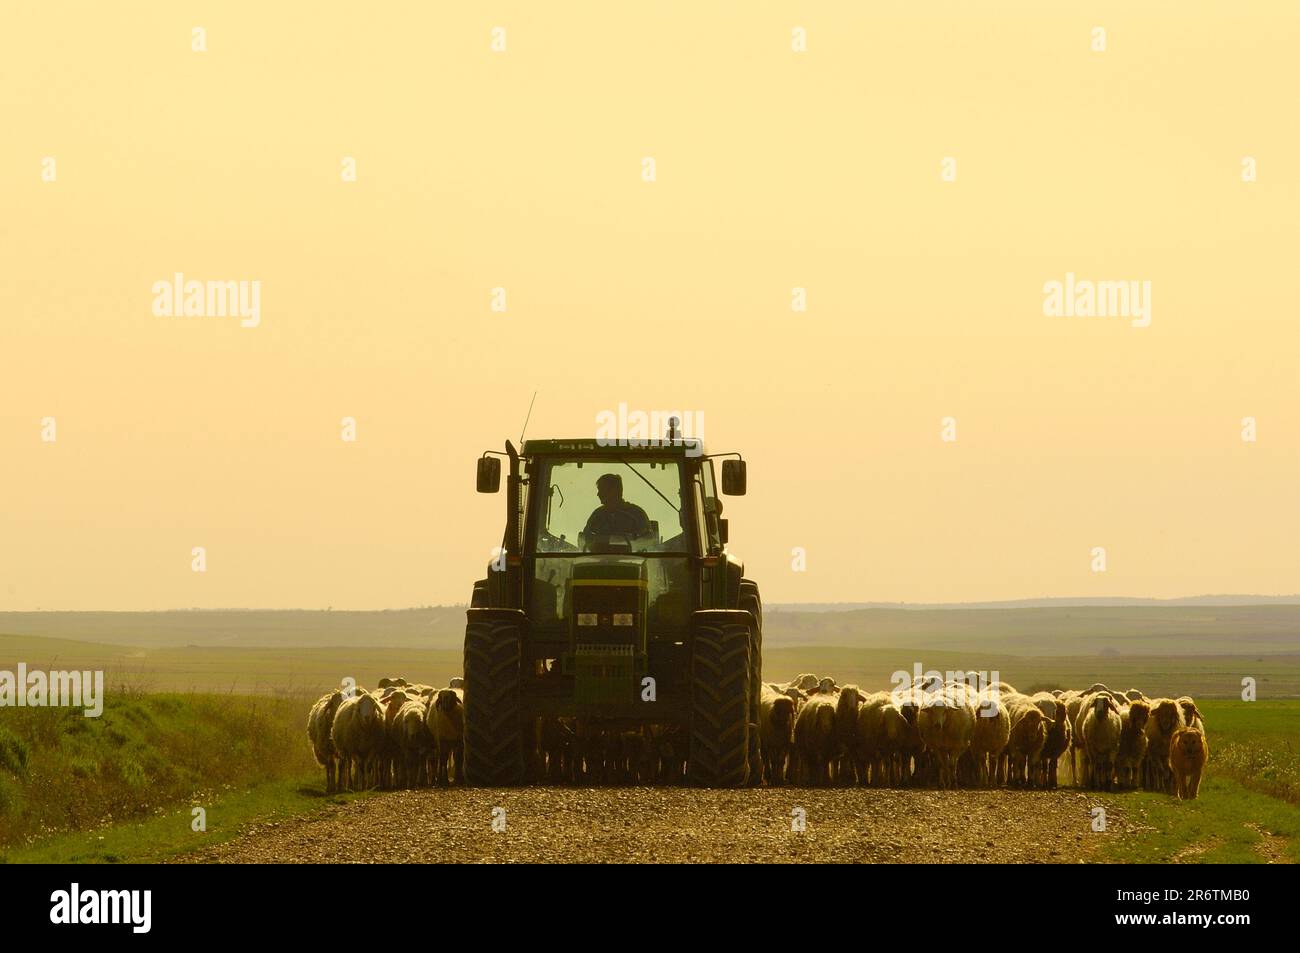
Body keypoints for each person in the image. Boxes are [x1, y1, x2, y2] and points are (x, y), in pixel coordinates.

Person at [582, 473, 650, 542]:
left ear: (613, 491)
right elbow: (584, 539)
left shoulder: (637, 514)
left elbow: (648, 542)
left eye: (601, 489)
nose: (598, 494)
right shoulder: (597, 515)